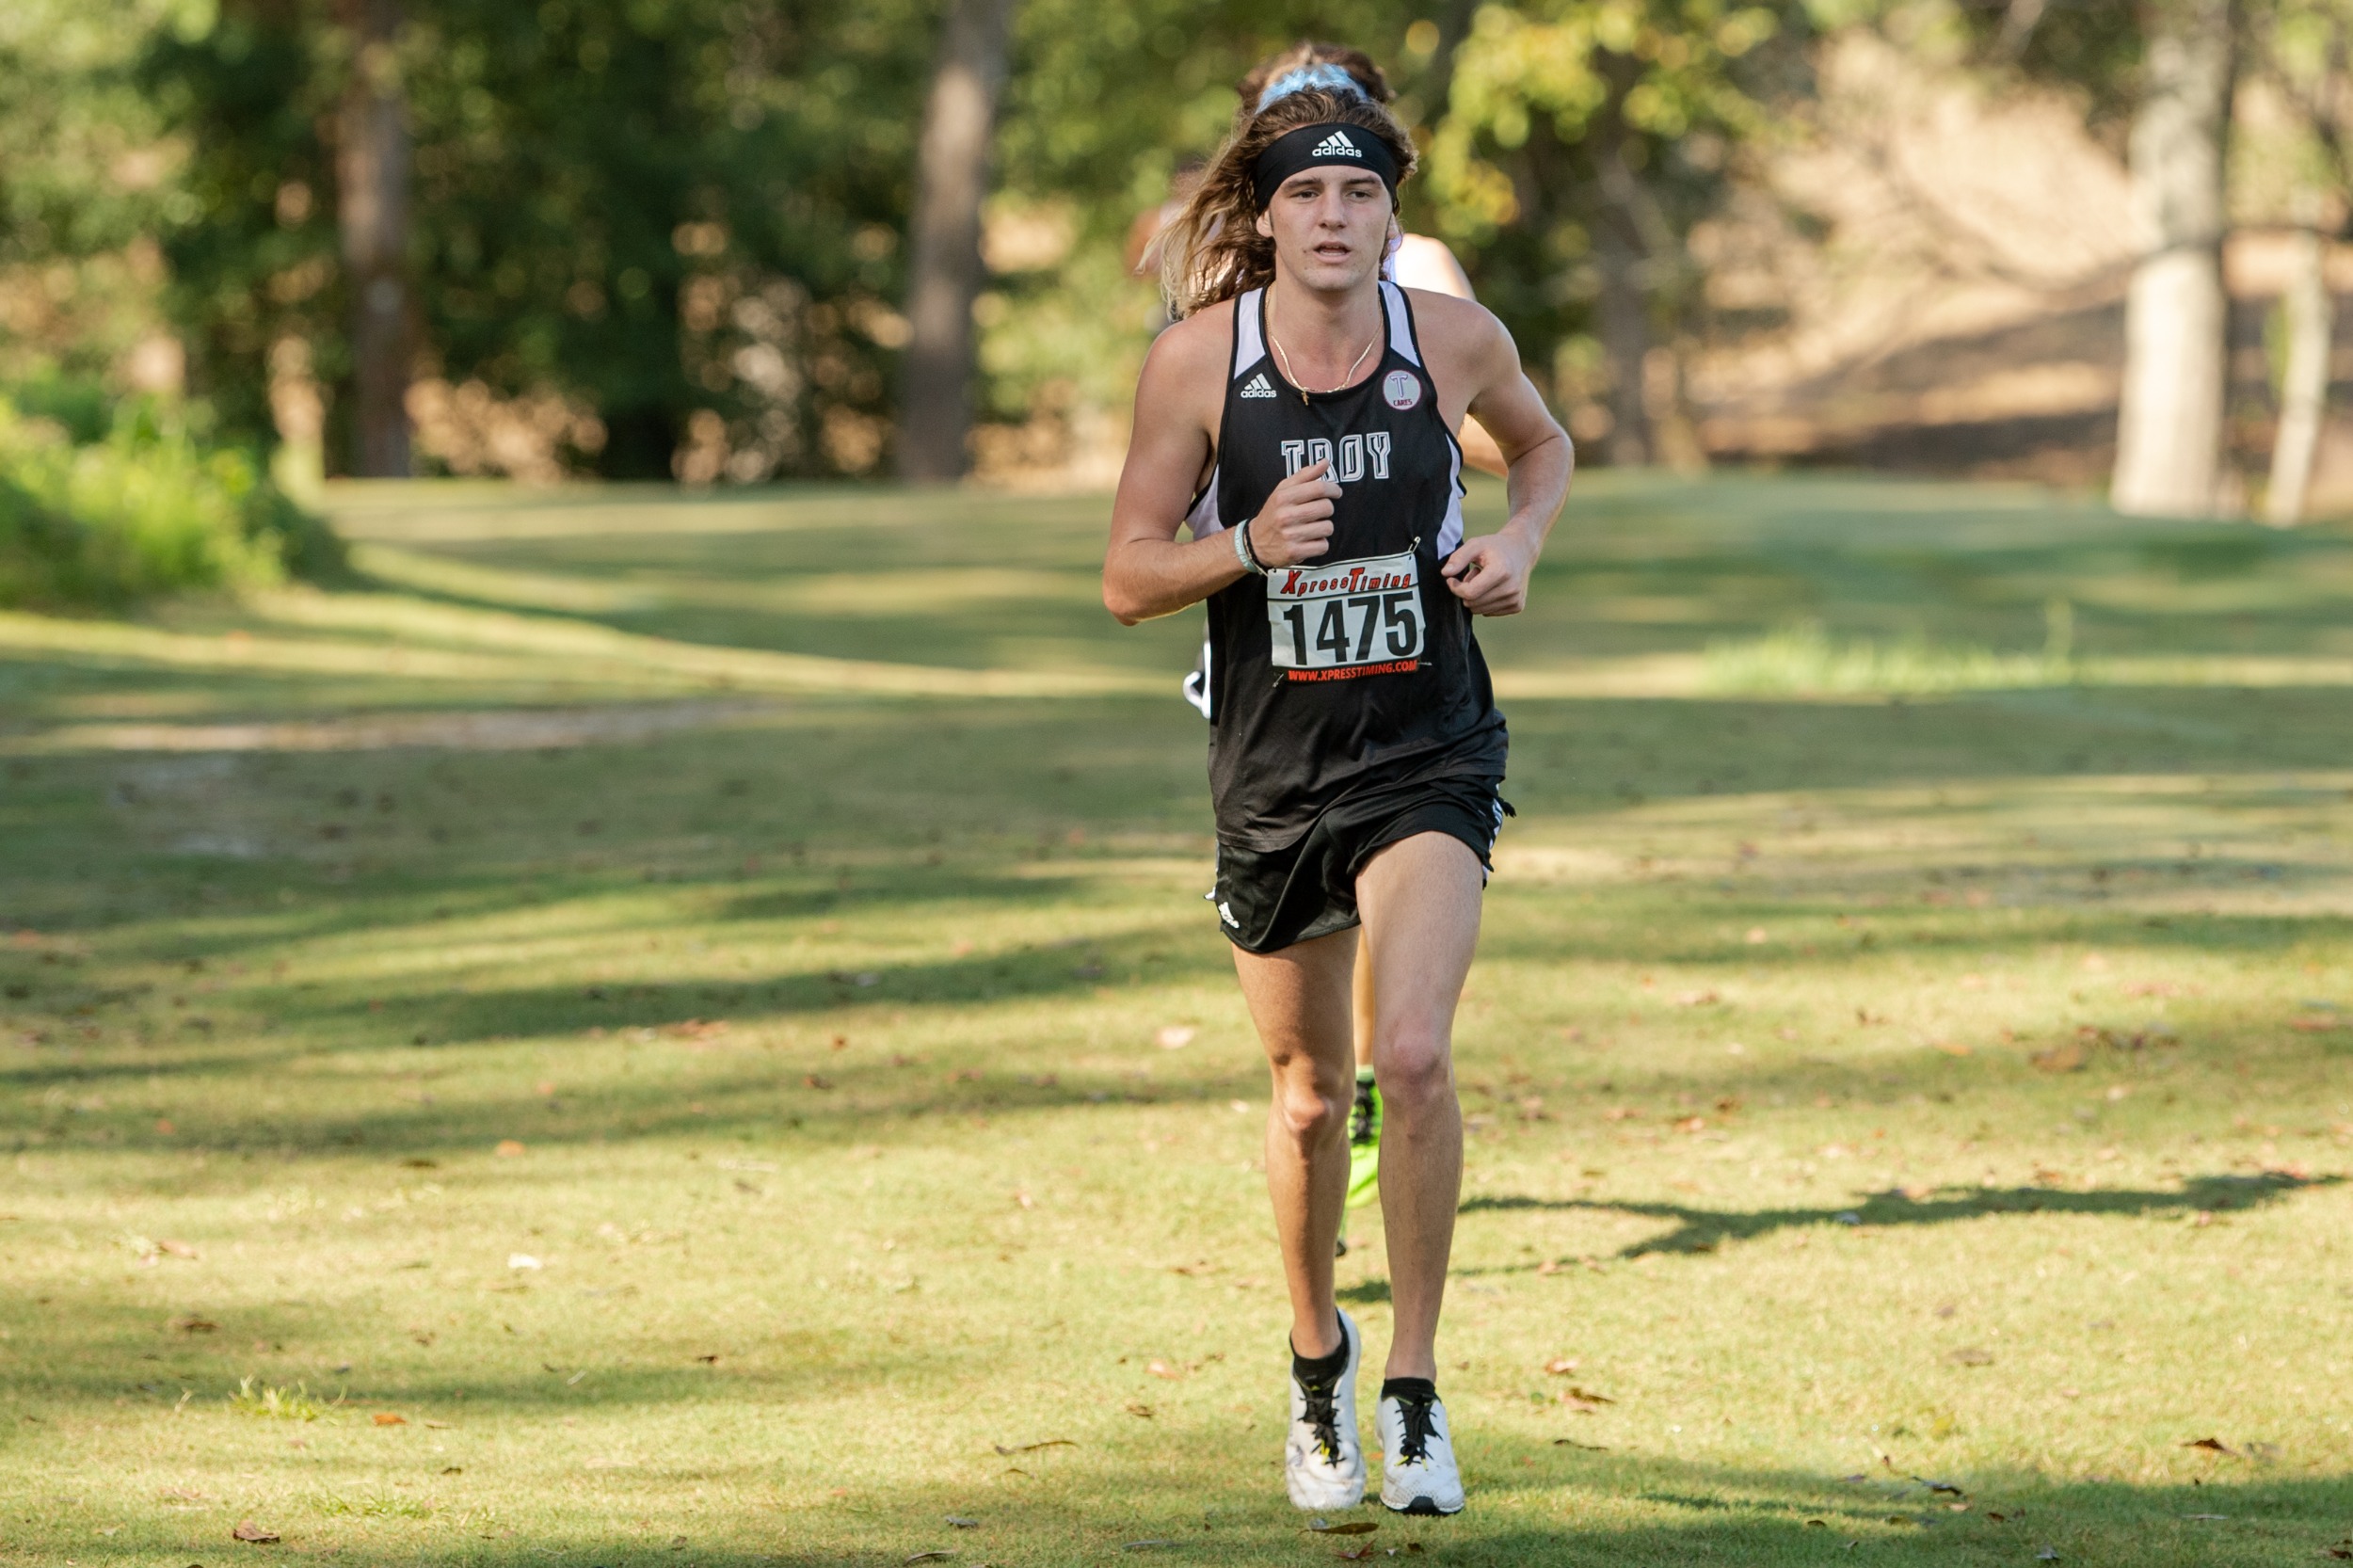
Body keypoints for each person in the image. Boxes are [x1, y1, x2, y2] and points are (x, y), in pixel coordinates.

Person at [1101, 77, 1573, 1516]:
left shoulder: (1453, 339)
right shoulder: (1196, 364)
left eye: (1360, 191)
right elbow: (1127, 575)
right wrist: (1243, 543)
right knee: (1310, 1099)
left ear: (1390, 214)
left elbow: (1543, 447)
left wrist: (1523, 545)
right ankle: (1320, 1360)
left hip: (1430, 740)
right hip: (1270, 761)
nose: (1335, 215)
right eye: (1307, 192)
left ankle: (1417, 1390)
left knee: (1412, 1053)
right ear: (1267, 213)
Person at [1207, 45, 1512, 1221]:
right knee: (1303, 1030)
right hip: (1256, 637)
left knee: (1406, 888)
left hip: (1410, 616)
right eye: (1285, 104)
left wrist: (1414, 433)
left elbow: (1505, 426)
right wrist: (1235, 530)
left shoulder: (1419, 272)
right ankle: (1331, 1089)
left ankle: (1393, 1069)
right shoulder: (1214, 274)